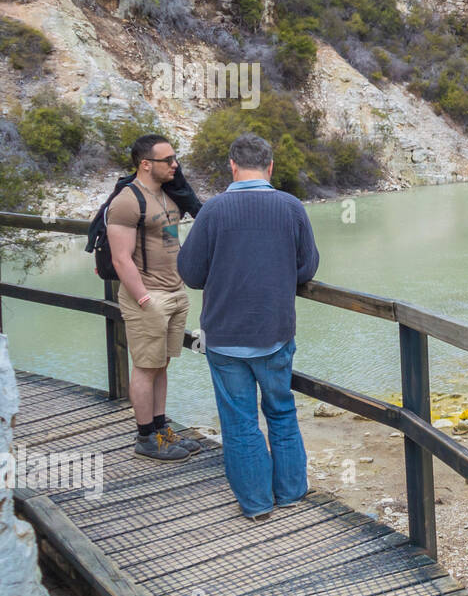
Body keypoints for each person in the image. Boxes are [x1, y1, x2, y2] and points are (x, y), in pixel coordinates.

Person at [177, 133, 320, 521]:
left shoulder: (213, 211)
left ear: (232, 166)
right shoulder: (291, 207)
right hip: (275, 332)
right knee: (281, 411)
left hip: (225, 338)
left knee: (240, 423)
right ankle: (290, 492)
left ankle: (257, 504)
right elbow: (307, 267)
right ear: (270, 167)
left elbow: (190, 273)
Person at [107, 134, 202, 461]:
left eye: (175, 158)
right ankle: (146, 437)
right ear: (146, 164)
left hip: (175, 292)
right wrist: (144, 299)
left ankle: (161, 428)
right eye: (168, 160)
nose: (176, 165)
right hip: (148, 297)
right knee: (146, 367)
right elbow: (121, 259)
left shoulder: (171, 194)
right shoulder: (127, 201)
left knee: (161, 365)